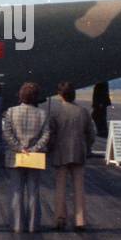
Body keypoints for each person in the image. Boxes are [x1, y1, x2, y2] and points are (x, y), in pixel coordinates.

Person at [48, 81, 96, 231]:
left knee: (60, 187)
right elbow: (91, 134)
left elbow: (50, 135)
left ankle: (60, 219)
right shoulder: (83, 111)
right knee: (79, 188)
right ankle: (80, 220)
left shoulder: (55, 112)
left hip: (60, 153)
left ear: (60, 94)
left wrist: (50, 149)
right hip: (78, 153)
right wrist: (86, 148)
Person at [2, 82, 50, 233]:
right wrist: (33, 149)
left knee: (16, 191)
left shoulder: (10, 112)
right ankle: (32, 225)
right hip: (34, 157)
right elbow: (46, 135)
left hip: (16, 156)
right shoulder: (42, 114)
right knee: (33, 191)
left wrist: (19, 148)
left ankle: (17, 225)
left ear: (21, 95)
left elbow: (7, 134)